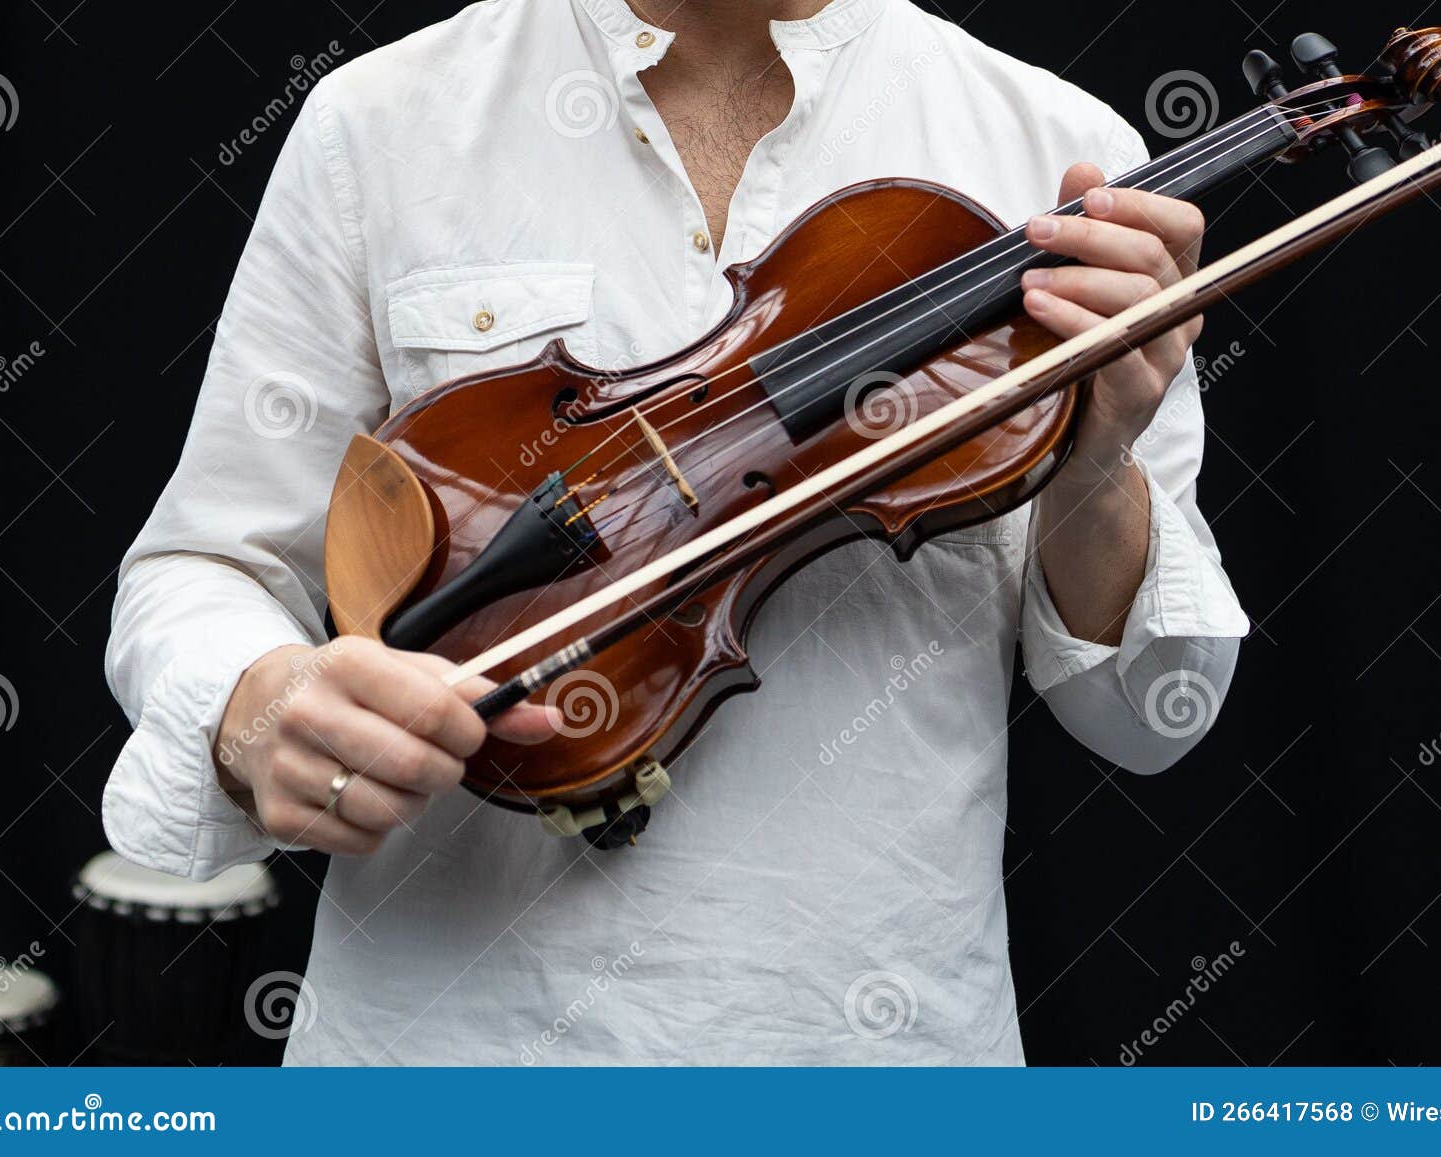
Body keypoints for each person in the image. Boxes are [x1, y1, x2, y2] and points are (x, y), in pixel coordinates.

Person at [103, 0, 1247, 1064]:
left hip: (875, 1056)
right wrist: (258, 702)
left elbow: (1149, 715)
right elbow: (207, 562)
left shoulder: (1049, 154)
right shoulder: (384, 121)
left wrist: (1093, 466)